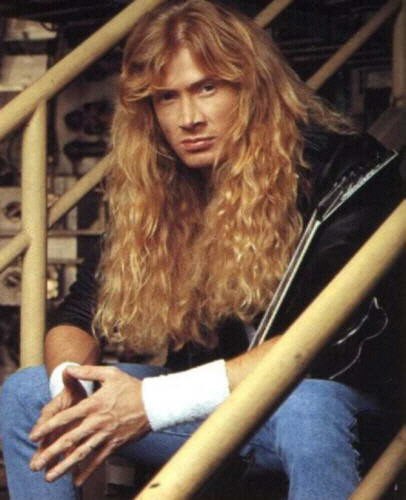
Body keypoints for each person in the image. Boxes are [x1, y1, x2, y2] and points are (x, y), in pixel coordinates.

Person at [0, 1, 403, 499]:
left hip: (331, 406)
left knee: (308, 408)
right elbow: (80, 312)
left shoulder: (346, 168)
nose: (188, 118)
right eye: (167, 98)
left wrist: (154, 402)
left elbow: (327, 341)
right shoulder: (164, 184)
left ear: (253, 89)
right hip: (222, 408)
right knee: (26, 393)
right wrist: (72, 388)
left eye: (207, 88)